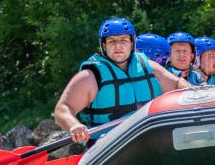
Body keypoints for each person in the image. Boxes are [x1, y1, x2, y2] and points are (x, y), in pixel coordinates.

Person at [54, 18, 192, 144]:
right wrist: (74, 125)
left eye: (123, 40)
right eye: (112, 41)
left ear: (132, 43)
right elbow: (62, 109)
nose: (118, 46)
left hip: (149, 139)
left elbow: (178, 85)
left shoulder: (148, 67)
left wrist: (195, 93)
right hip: (109, 146)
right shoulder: (90, 77)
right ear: (103, 45)